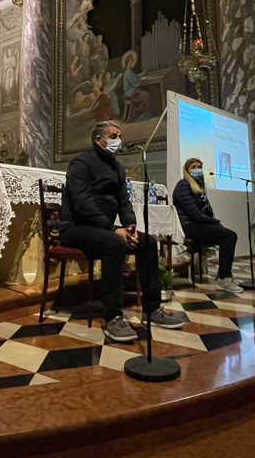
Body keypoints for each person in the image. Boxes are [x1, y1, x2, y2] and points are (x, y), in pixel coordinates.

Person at [59, 120, 188, 342]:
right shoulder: (82, 163)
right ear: (99, 140)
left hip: (104, 229)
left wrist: (130, 226)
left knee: (147, 243)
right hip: (76, 227)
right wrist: (112, 228)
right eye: (113, 136)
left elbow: (123, 201)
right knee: (115, 243)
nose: (118, 141)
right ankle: (113, 317)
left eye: (119, 136)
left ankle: (152, 309)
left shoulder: (117, 168)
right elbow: (82, 203)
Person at [173, 158, 242, 293]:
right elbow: (193, 213)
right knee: (228, 235)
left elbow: (206, 211)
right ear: (187, 170)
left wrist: (214, 222)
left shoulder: (198, 187)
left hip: (197, 224)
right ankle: (223, 278)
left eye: (200, 166)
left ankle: (225, 275)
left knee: (230, 235)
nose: (198, 169)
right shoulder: (183, 185)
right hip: (188, 225)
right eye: (194, 167)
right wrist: (214, 222)